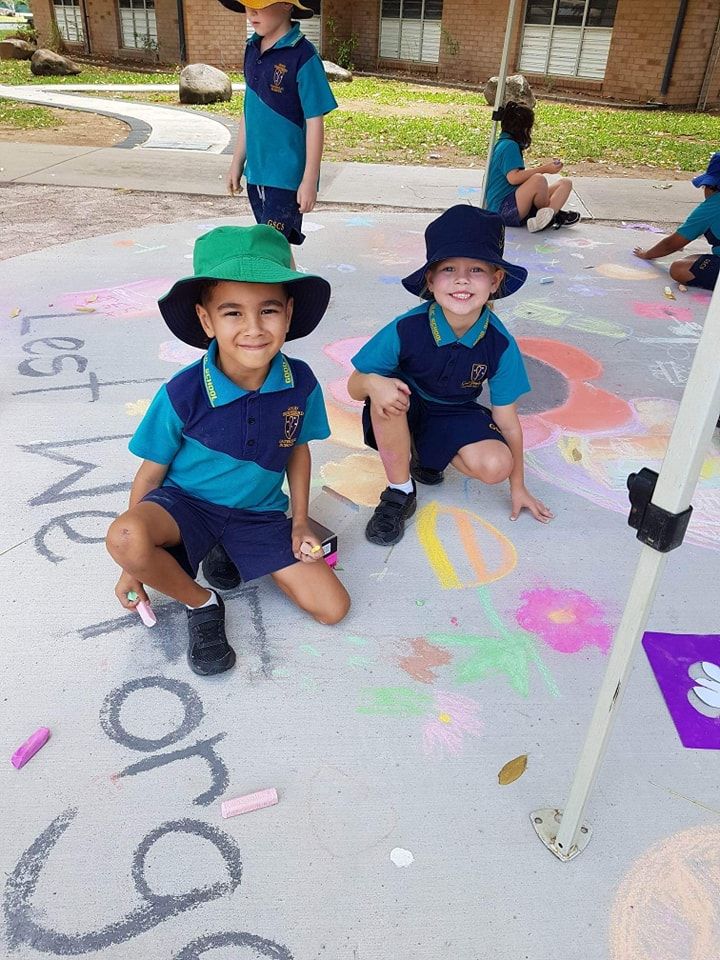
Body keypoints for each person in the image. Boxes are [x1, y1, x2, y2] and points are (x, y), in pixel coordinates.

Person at [106, 225, 350, 676]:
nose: (254, 329)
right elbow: (149, 476)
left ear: (289, 313)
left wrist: (298, 522)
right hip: (185, 506)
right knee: (125, 537)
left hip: (257, 513)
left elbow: (297, 451)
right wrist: (132, 568)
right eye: (233, 313)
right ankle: (203, 603)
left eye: (269, 310)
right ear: (206, 320)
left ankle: (226, 549)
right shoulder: (183, 392)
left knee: (332, 608)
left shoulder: (301, 383)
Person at [347, 205, 554, 547]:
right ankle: (400, 491)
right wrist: (373, 382)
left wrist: (518, 486)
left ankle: (424, 455)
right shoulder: (406, 328)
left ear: (495, 279)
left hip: (455, 410)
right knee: (390, 398)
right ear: (430, 280)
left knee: (495, 465)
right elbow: (356, 386)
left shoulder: (500, 343)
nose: (462, 279)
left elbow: (508, 421)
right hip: (405, 405)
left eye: (476, 268)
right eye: (448, 269)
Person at [227, 0, 337, 247]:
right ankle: (289, 284)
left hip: (286, 176)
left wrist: (309, 179)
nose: (251, 12)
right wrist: (237, 161)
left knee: (270, 246)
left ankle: (283, 286)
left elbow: (315, 121)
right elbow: (249, 109)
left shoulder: (304, 56)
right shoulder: (252, 48)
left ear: (287, 5)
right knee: (276, 246)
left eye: (260, 5)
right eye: (247, 5)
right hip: (256, 172)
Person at [485, 101, 580, 234]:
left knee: (565, 183)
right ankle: (549, 214)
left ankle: (546, 216)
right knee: (538, 179)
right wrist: (544, 169)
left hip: (511, 203)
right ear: (524, 129)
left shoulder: (504, 143)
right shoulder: (508, 146)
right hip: (503, 209)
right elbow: (513, 178)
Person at [633, 152, 720, 291]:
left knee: (679, 268)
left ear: (711, 186)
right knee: (694, 259)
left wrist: (647, 254)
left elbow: (671, 244)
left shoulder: (712, 207)